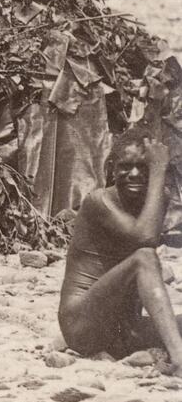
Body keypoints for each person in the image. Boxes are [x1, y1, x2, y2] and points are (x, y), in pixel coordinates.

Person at [58, 127, 182, 371]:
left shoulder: (158, 198)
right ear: (112, 169)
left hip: (123, 327)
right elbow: (145, 239)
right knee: (144, 258)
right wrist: (158, 170)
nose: (134, 174)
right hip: (82, 326)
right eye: (125, 166)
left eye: (143, 167)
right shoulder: (99, 201)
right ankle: (179, 360)